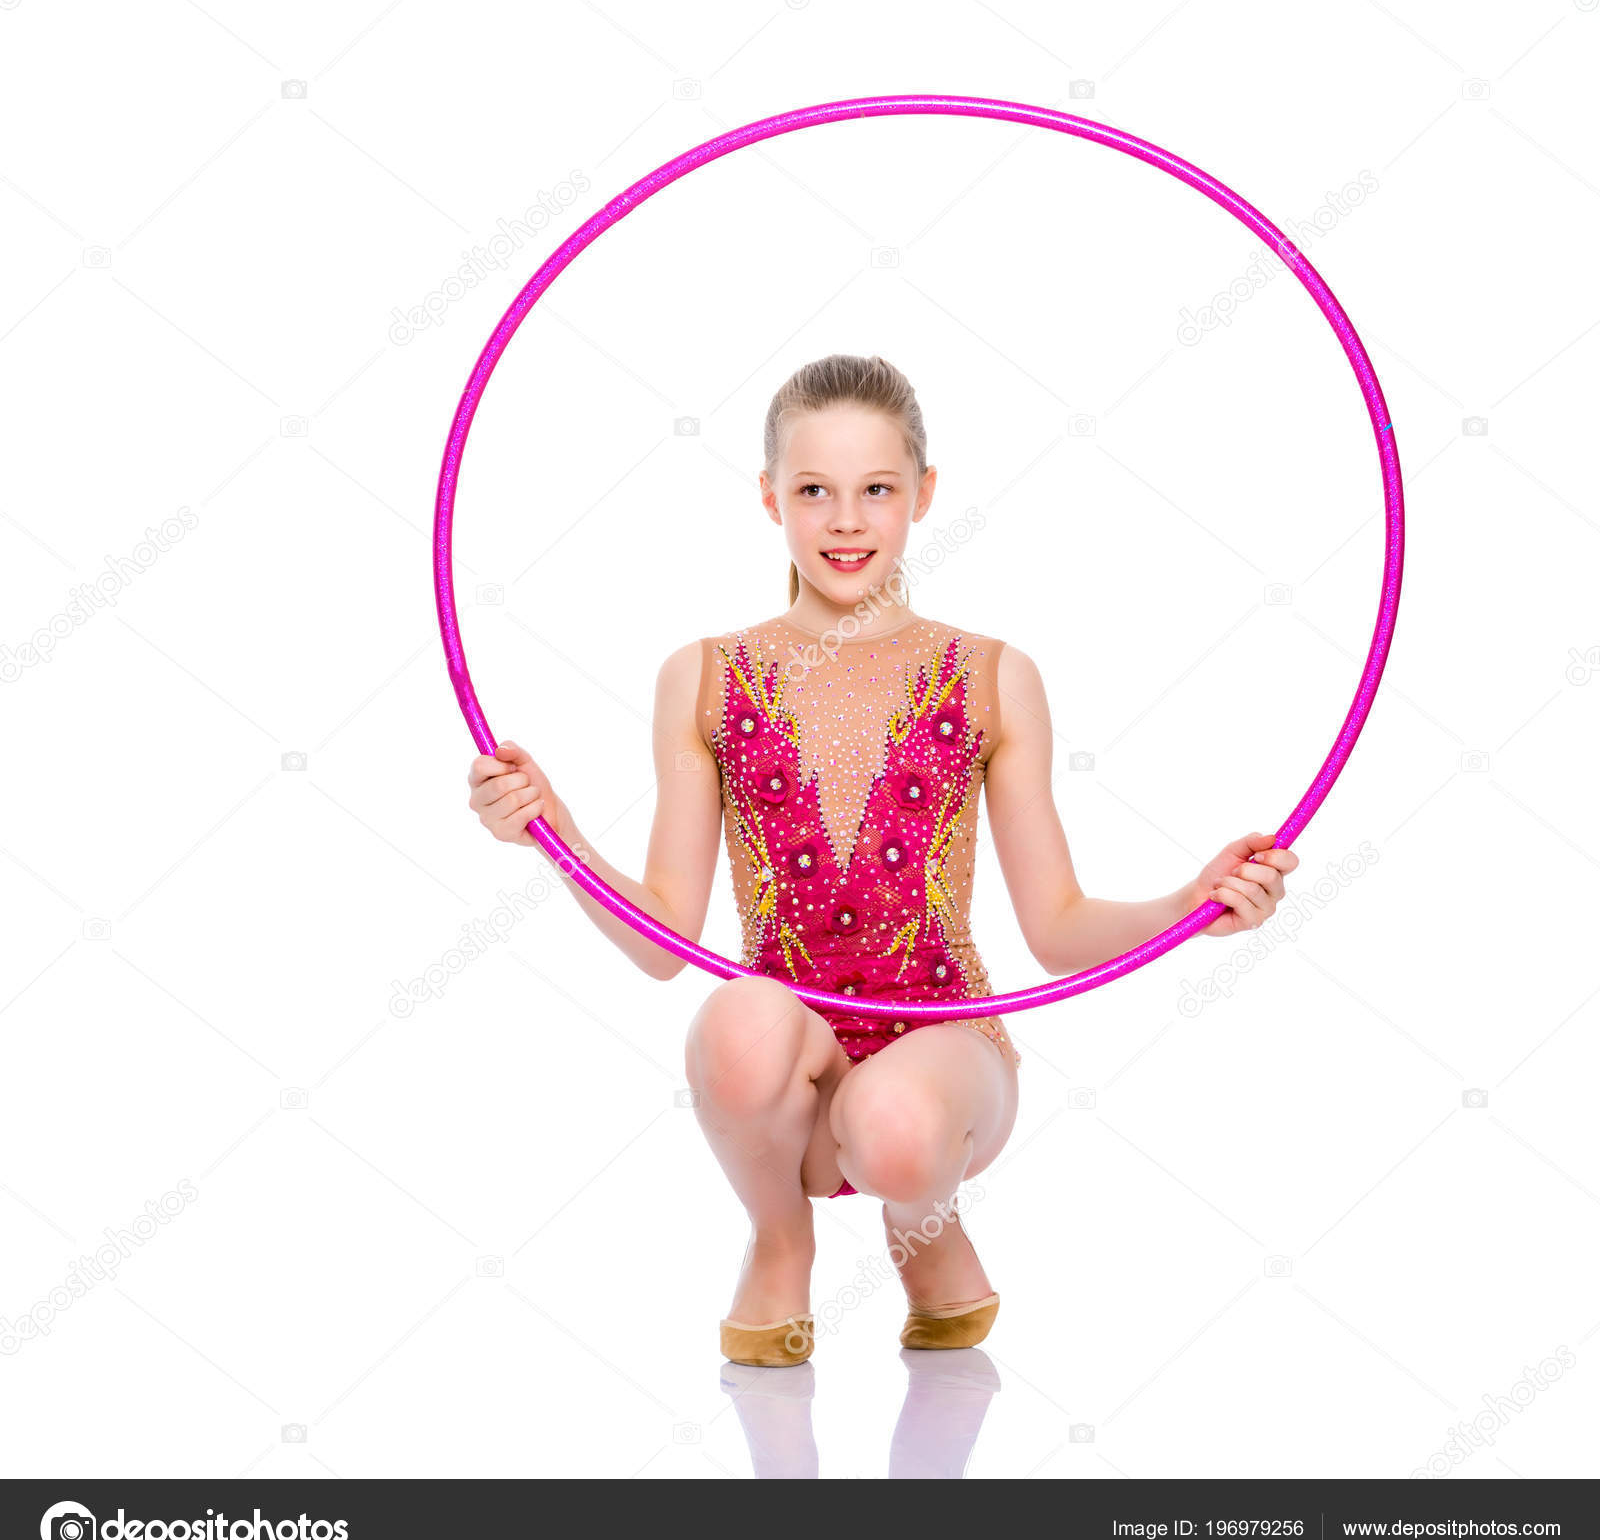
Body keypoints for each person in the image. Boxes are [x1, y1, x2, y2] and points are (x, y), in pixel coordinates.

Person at [467, 353, 1299, 1368]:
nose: (846, 520)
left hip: (949, 1059)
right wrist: (554, 828)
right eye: (814, 490)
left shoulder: (992, 674)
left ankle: (925, 1225)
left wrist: (1188, 903)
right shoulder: (704, 676)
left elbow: (1058, 923)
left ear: (923, 495)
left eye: (877, 490)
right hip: (788, 1077)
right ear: (771, 496)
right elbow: (662, 941)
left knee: (894, 1119)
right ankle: (781, 1234)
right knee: (736, 1020)